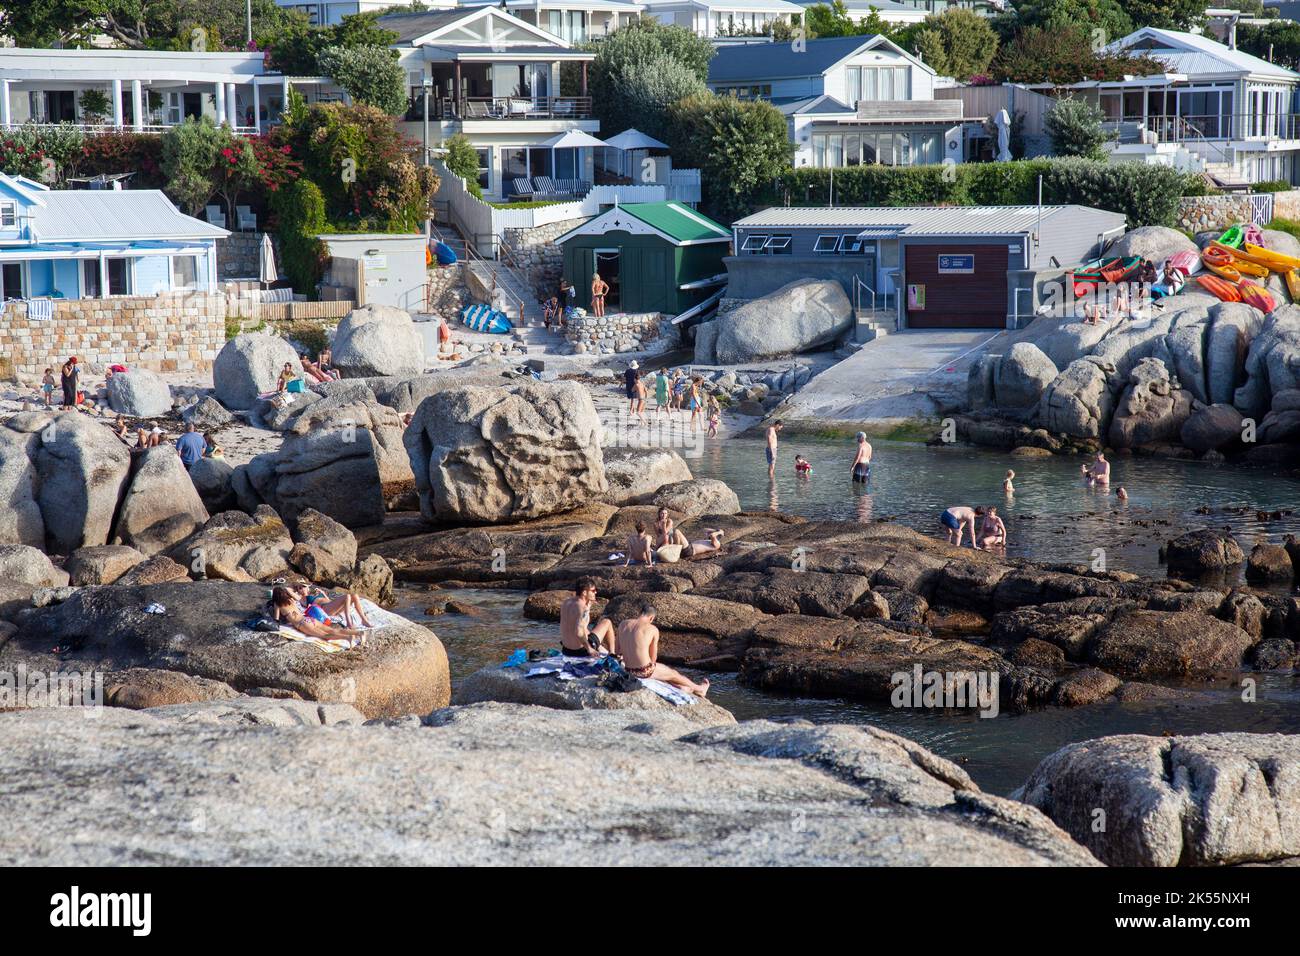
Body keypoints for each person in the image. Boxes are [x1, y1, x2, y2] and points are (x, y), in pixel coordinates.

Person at [615, 600, 710, 698]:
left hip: (628, 670)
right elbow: (653, 658)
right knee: (673, 674)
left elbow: (617, 651)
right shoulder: (652, 629)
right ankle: (700, 689)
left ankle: (681, 687)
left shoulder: (623, 624)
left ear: (640, 613)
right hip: (644, 671)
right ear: (651, 617)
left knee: (664, 673)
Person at [268, 587, 367, 642]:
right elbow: (292, 594)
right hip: (310, 619)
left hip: (302, 624)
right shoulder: (291, 600)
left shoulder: (278, 604)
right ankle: (358, 633)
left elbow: (276, 619)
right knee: (332, 629)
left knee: (325, 635)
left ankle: (347, 638)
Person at [559, 578, 615, 657]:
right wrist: (590, 649)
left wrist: (588, 607)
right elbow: (578, 632)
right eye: (593, 590)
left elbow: (575, 626)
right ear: (584, 592)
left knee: (585, 628)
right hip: (581, 651)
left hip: (566, 650)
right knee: (607, 622)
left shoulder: (566, 602)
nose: (596, 592)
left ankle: (600, 648)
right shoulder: (583, 608)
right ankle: (612, 654)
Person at [288, 583, 373, 630]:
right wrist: (294, 586)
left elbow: (329, 600)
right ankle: (349, 623)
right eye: (299, 588)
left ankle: (364, 620)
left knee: (355, 595)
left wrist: (323, 594)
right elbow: (288, 590)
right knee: (347, 596)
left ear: (308, 588)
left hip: (333, 607)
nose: (302, 589)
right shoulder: (303, 598)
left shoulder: (315, 593)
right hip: (325, 609)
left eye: (303, 586)